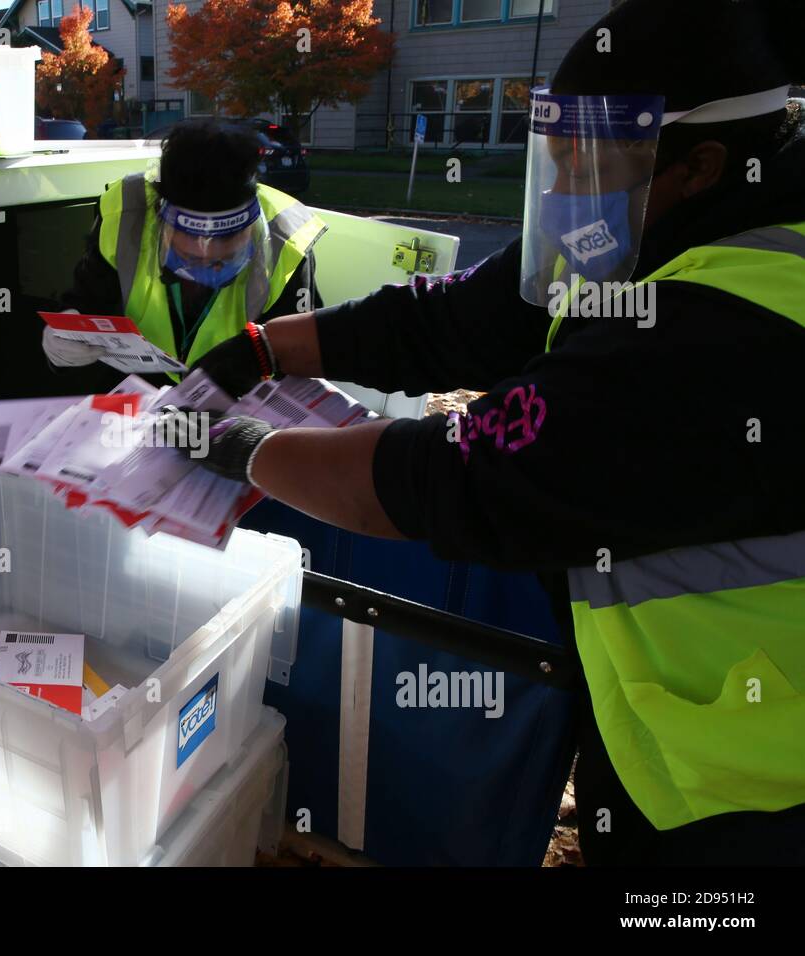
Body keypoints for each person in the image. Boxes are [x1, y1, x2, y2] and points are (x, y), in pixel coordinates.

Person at [175, 0, 805, 865]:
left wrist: (236, 448)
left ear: (698, 166)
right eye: (558, 160)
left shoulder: (725, 326)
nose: (567, 193)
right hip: (676, 724)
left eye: (592, 165)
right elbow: (452, 322)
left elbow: (448, 477)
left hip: (754, 791)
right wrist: (263, 348)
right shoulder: (644, 229)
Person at [43, 119, 326, 377]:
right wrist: (66, 336)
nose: (210, 266)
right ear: (161, 224)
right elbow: (87, 304)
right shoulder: (124, 217)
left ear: (252, 227)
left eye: (226, 254)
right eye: (190, 257)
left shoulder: (287, 243)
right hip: (145, 396)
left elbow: (302, 357)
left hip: (240, 403)